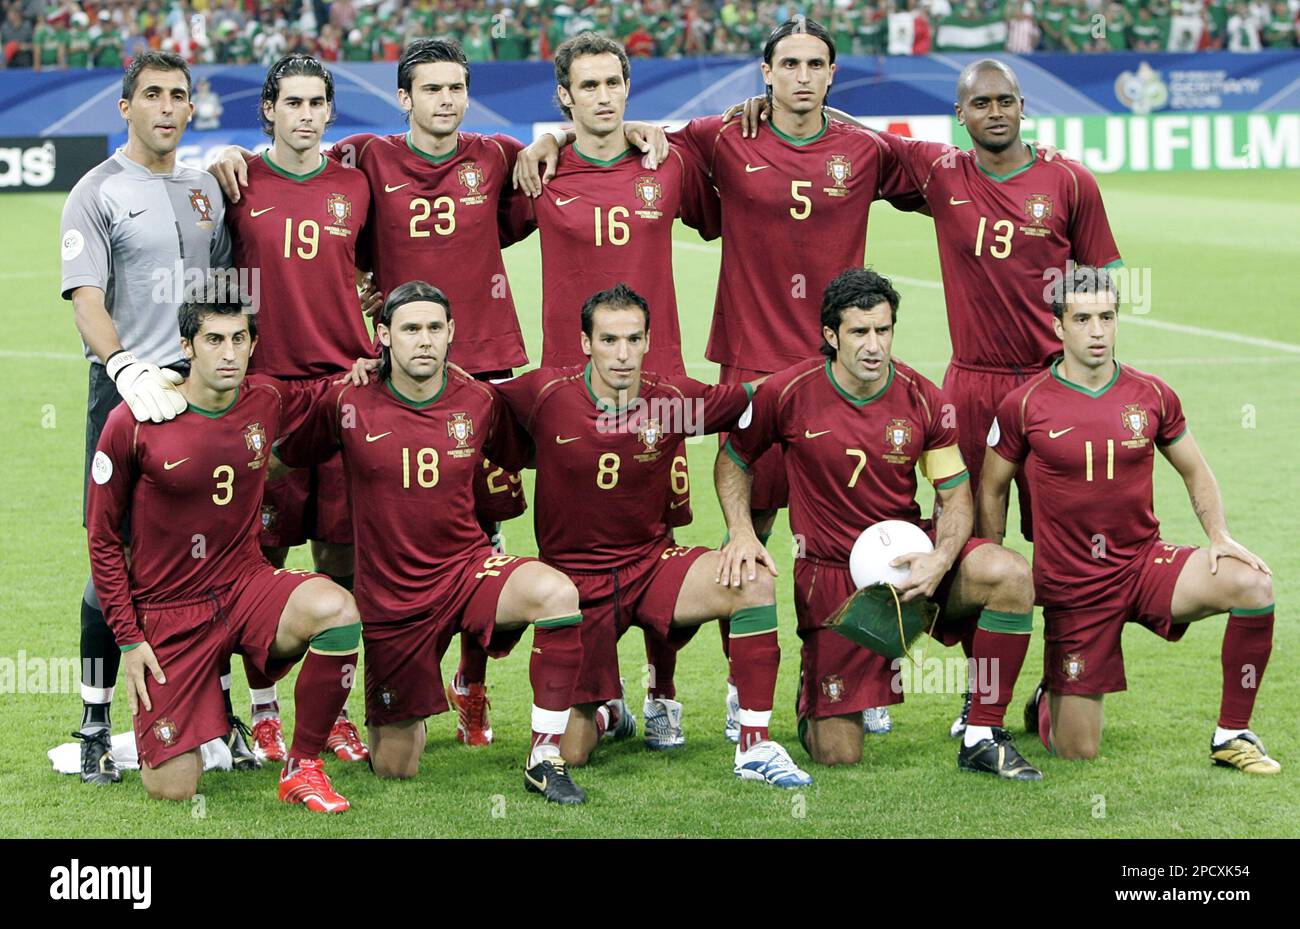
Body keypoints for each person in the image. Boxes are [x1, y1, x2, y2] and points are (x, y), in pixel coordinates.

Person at [209, 39, 666, 747]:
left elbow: (578, 151)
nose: (445, 101)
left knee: (479, 536)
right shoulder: (363, 161)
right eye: (431, 89)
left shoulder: (500, 157)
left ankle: (472, 684)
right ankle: (285, 710)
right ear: (403, 98)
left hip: (481, 375)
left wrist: (624, 131)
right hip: (380, 380)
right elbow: (311, 212)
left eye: (456, 87)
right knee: (339, 546)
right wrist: (225, 159)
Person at [515, 17, 925, 740]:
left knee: (842, 533)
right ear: (763, 75)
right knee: (681, 533)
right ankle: (646, 691)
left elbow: (931, 174)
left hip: (797, 374)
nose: (801, 77)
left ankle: (855, 676)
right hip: (729, 367)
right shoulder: (705, 141)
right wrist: (545, 141)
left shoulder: (842, 149)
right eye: (787, 64)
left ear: (832, 73)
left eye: (815, 64)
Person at [716, 268, 1041, 780]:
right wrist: (742, 531)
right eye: (859, 332)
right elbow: (734, 458)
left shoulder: (923, 397)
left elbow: (955, 495)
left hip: (914, 569)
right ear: (830, 335)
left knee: (1011, 575)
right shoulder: (789, 392)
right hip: (834, 582)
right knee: (838, 754)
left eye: (883, 330)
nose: (874, 345)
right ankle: (815, 689)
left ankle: (983, 733)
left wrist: (940, 559)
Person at [275, 282, 591, 803]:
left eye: (434, 329)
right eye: (410, 329)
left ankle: (544, 758)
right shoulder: (347, 400)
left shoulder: (478, 400)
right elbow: (285, 457)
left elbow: (530, 456)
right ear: (383, 337)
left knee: (556, 594)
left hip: (466, 571)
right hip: (391, 601)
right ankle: (417, 706)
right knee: (395, 767)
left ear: (451, 334)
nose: (424, 341)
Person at [492, 284, 811, 786]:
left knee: (754, 580)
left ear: (647, 341)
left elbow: (755, 397)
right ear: (585, 342)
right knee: (572, 754)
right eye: (609, 340)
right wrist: (371, 368)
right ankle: (610, 714)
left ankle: (755, 746)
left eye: (633, 340)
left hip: (651, 566)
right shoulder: (544, 395)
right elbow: (462, 396)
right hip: (574, 587)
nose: (622, 354)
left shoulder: (671, 402)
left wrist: (828, 363)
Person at [979, 267, 1278, 774]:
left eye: (1107, 318)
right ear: (1059, 327)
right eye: (1083, 319)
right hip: (1074, 585)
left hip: (1144, 564)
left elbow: (1195, 470)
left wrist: (1218, 535)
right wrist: (993, 554)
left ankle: (1232, 733)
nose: (1097, 331)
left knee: (1253, 585)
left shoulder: (1153, 395)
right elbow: (992, 485)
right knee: (1078, 751)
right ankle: (1049, 698)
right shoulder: (1025, 404)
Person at [86, 301, 362, 811]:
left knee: (338, 611)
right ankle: (193, 718)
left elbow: (329, 393)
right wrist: (128, 639)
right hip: (168, 611)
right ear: (187, 347)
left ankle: (301, 766)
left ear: (253, 345)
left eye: (239, 339)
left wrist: (369, 366)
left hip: (245, 586)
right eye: (214, 340)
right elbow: (103, 540)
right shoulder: (133, 421)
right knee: (173, 788)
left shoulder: (266, 398)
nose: (229, 352)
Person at [60, 50, 243, 784]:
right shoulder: (95, 191)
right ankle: (95, 720)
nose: (168, 107)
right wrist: (123, 366)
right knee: (117, 563)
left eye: (179, 95)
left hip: (202, 399)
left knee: (217, 553)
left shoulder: (206, 188)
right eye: (153, 95)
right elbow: (86, 296)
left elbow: (231, 283)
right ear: (125, 106)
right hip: (130, 398)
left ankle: (222, 711)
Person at [221, 54, 374, 765]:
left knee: (342, 556)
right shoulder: (236, 181)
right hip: (269, 394)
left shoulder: (356, 182)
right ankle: (262, 711)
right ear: (268, 111)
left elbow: (376, 272)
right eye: (293, 103)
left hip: (344, 389)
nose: (307, 115)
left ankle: (335, 713)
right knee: (263, 558)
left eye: (318, 103)